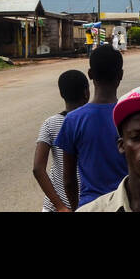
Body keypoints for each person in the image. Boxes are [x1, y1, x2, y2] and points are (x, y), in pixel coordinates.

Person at [55, 43, 125, 209]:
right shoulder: (128, 116)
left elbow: (69, 180)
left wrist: (77, 207)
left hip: (90, 204)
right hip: (126, 203)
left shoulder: (73, 119)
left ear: (90, 74)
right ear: (121, 75)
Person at [32, 69, 89, 212]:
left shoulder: (50, 123)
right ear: (86, 93)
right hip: (86, 204)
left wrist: (60, 206)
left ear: (61, 94)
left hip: (54, 206)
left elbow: (38, 168)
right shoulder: (90, 122)